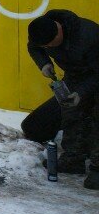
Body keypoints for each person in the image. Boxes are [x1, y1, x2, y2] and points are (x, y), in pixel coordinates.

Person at [21, 10, 99, 190]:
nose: (48, 47)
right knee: (68, 112)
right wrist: (44, 64)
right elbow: (34, 47)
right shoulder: (43, 29)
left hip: (95, 76)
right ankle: (73, 158)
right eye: (46, 46)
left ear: (59, 32)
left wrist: (82, 92)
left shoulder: (89, 36)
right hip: (75, 78)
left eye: (50, 45)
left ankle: (97, 167)